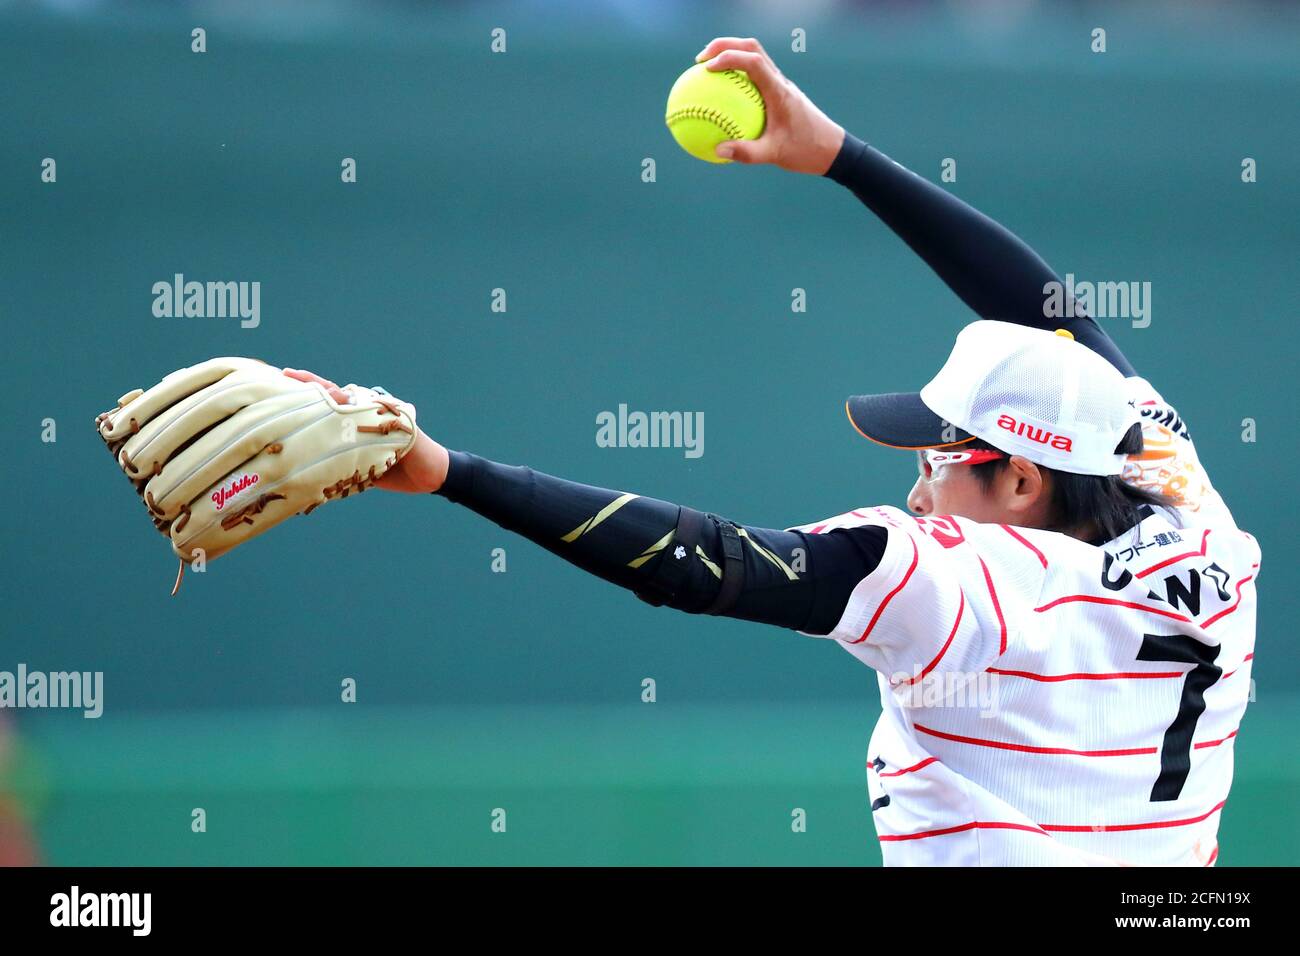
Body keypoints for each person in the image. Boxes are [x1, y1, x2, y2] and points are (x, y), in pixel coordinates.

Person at [284, 38, 1259, 866]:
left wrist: (449, 472)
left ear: (1020, 477)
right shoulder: (1192, 518)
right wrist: (840, 155)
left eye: (939, 458)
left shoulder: (963, 585)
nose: (919, 487)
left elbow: (703, 561)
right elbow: (1054, 321)